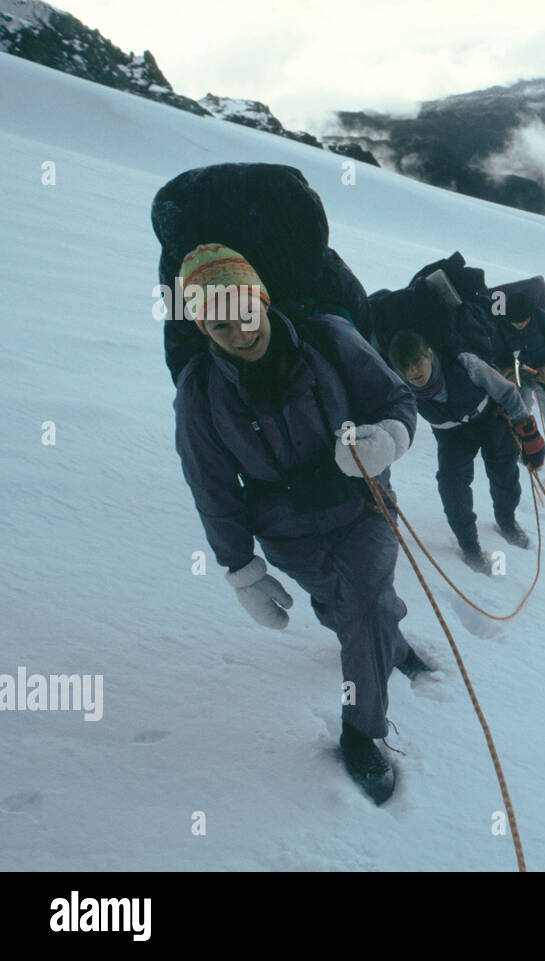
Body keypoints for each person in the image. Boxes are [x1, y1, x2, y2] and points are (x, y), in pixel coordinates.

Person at [172, 244, 422, 806]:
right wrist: (241, 569)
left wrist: (388, 437)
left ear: (260, 297)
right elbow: (210, 486)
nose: (239, 331)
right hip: (286, 532)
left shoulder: (328, 338)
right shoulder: (199, 392)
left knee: (366, 601)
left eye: (243, 309)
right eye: (218, 323)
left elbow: (394, 396)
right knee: (347, 603)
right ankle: (387, 643)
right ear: (203, 329)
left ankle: (361, 732)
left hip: (363, 502)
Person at [387, 329, 545, 574]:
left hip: (489, 418)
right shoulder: (401, 388)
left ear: (429, 353)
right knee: (451, 485)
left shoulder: (464, 363)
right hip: (452, 435)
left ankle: (507, 521)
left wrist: (528, 430)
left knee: (503, 472)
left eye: (417, 361)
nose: (413, 372)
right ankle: (469, 545)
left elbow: (506, 391)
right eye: (405, 367)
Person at [498, 291, 545, 459]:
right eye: (514, 323)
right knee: (520, 412)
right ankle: (522, 444)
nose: (518, 325)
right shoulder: (501, 325)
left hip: (543, 375)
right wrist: (507, 372)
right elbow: (496, 354)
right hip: (519, 376)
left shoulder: (541, 319)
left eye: (522, 322)